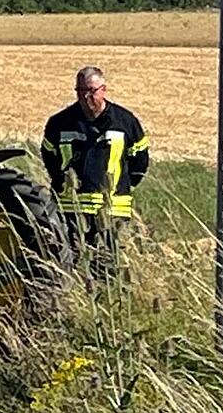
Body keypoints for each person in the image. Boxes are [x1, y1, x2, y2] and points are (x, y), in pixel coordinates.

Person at [40, 65, 149, 270]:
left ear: (103, 90)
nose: (86, 97)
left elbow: (140, 160)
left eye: (92, 91)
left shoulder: (125, 122)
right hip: (71, 208)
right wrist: (61, 182)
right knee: (66, 266)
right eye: (81, 91)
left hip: (112, 209)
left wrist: (123, 185)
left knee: (107, 267)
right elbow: (49, 155)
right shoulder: (60, 122)